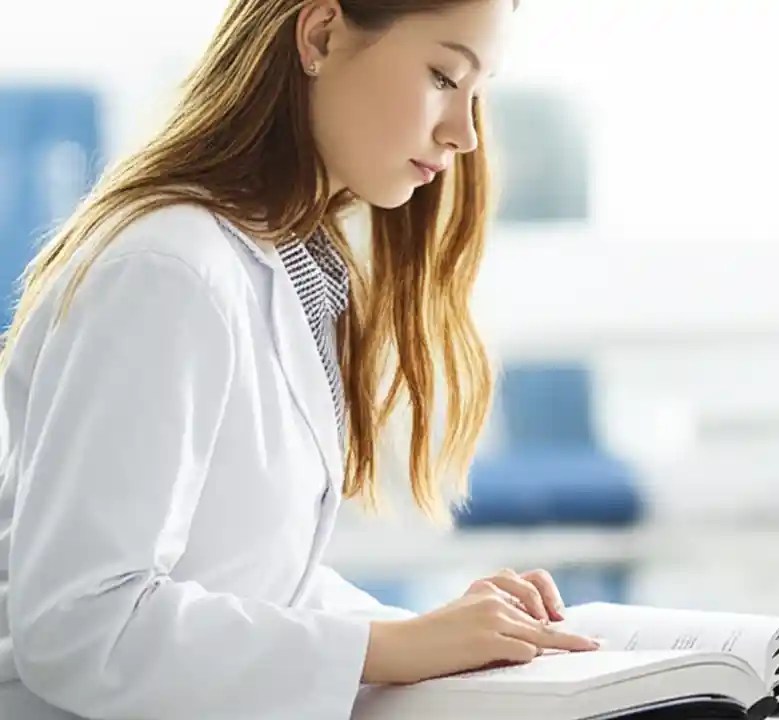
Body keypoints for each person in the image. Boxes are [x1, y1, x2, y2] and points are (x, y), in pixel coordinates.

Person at [0, 1, 599, 718]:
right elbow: (82, 627)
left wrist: (436, 633)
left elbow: (251, 588)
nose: (464, 134)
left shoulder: (286, 264)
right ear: (319, 35)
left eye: (478, 93)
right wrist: (397, 648)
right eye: (444, 76)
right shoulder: (169, 270)